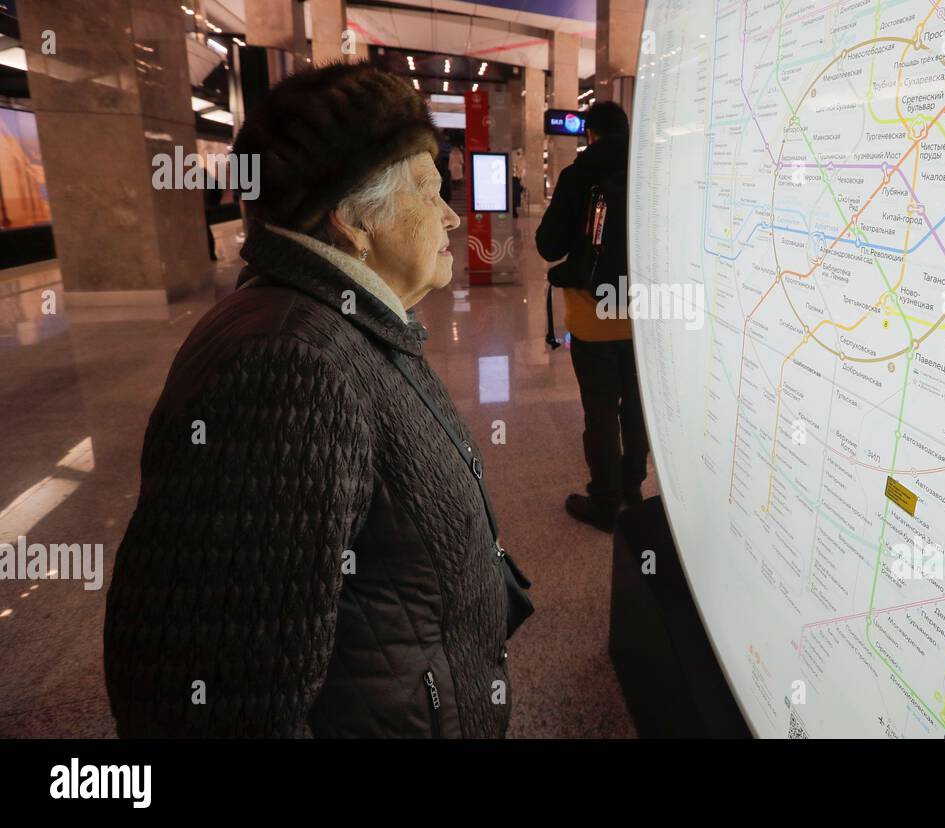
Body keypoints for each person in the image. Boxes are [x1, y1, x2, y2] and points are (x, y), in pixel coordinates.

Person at [103, 63, 529, 737]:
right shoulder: (290, 369)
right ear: (353, 219)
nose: (451, 215)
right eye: (427, 190)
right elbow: (215, 700)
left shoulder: (342, 321)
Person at [535, 101, 648, 532]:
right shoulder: (650, 175)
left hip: (592, 318)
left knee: (600, 411)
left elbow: (549, 246)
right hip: (645, 318)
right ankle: (633, 489)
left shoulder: (578, 176)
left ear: (591, 134)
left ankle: (604, 501)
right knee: (636, 409)